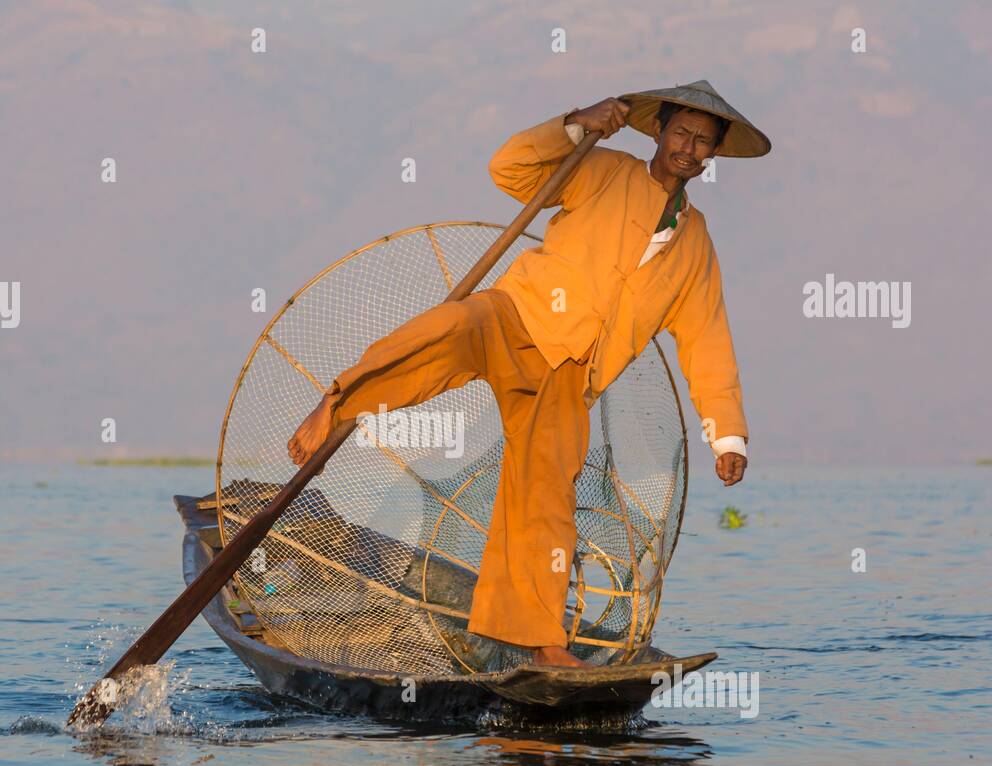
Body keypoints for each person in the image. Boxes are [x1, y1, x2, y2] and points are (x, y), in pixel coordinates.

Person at [288, 80, 771, 667]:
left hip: (569, 373)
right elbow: (510, 169)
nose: (689, 149)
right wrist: (575, 123)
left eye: (703, 142)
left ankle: (540, 641)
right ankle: (339, 402)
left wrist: (727, 435)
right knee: (443, 331)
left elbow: (707, 341)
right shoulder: (603, 169)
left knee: (546, 497)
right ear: (659, 131)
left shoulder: (695, 244)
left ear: (713, 155)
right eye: (682, 133)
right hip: (518, 316)